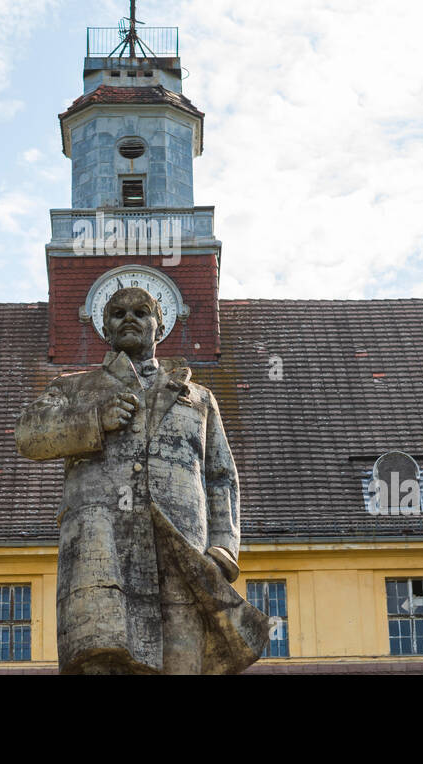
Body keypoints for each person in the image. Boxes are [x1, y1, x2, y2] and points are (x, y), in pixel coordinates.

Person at [16, 286, 270, 673]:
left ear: (160, 324)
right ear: (105, 327)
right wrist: (93, 419)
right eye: (118, 313)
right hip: (102, 549)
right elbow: (29, 436)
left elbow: (221, 476)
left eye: (141, 311)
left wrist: (222, 547)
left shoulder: (197, 398)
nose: (129, 318)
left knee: (183, 663)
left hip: (182, 549)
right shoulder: (74, 388)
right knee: (102, 658)